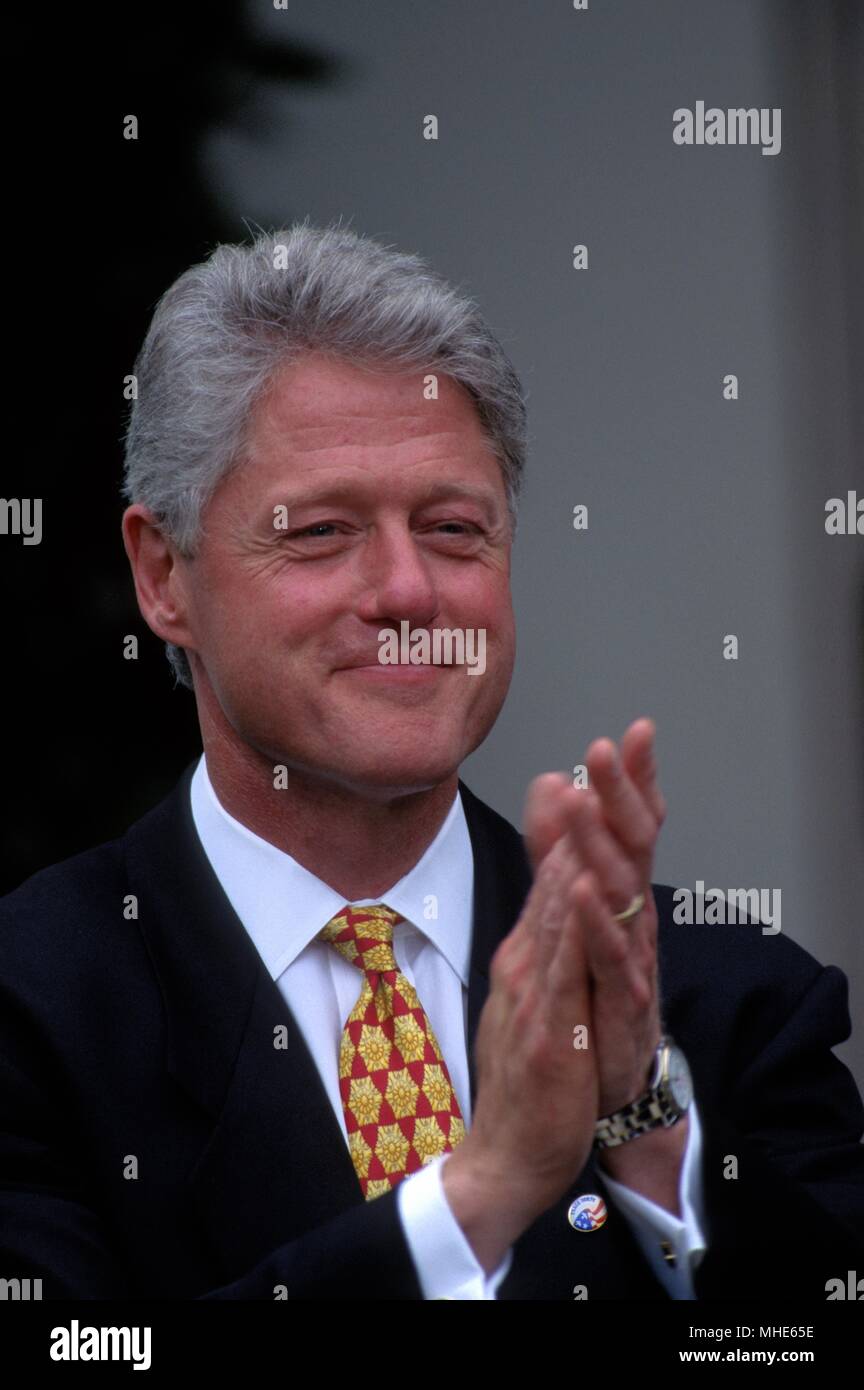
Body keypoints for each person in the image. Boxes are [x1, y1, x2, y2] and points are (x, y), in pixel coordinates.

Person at [1, 223, 861, 1301]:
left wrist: (641, 1124)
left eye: (454, 528)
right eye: (320, 531)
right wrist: (477, 1198)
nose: (409, 592)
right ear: (164, 576)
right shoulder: (35, 1008)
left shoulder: (723, 1000)